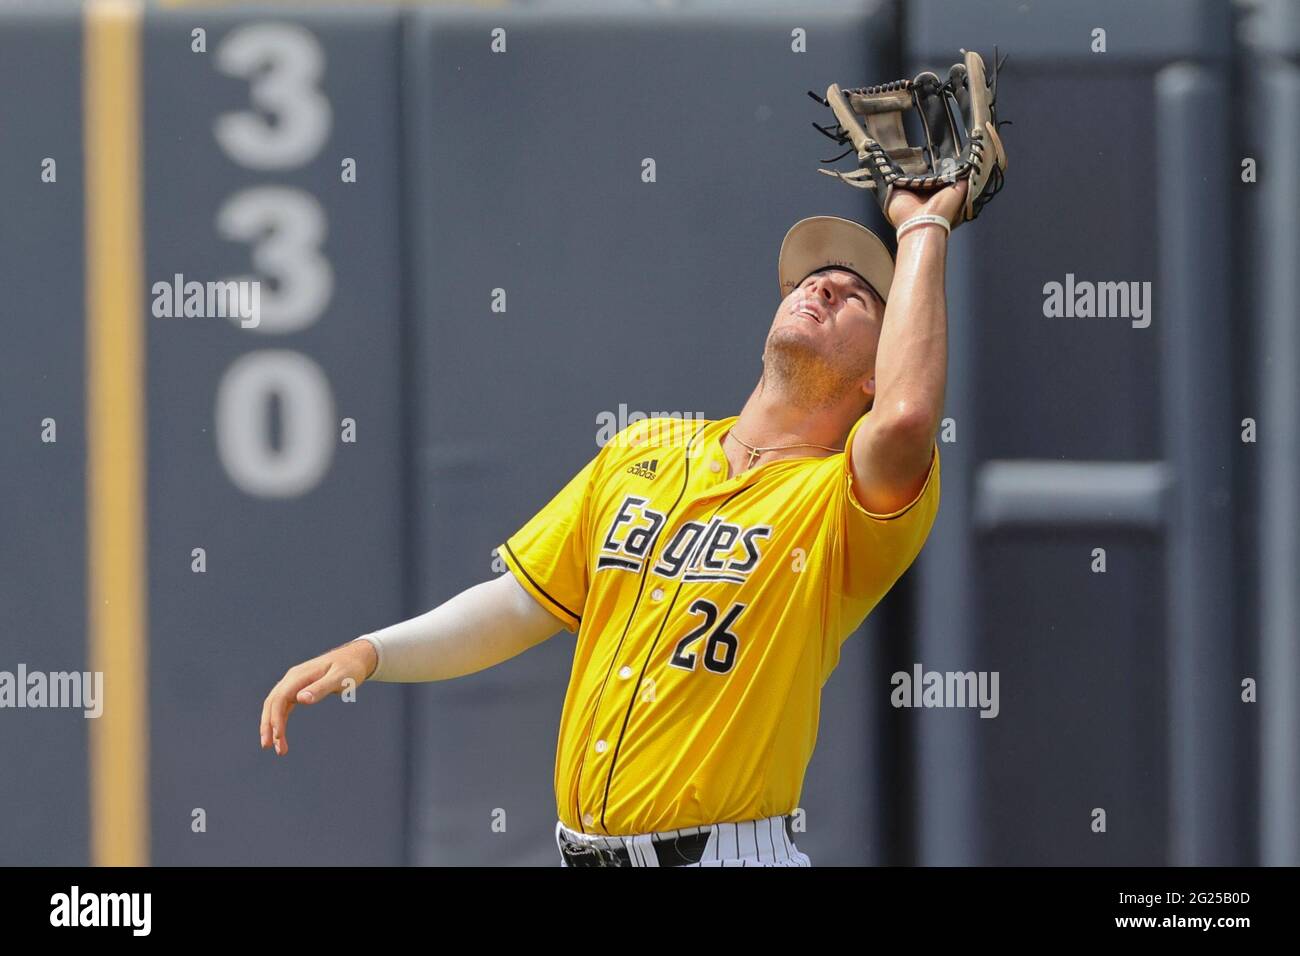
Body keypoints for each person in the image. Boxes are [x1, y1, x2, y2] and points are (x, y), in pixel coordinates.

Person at [259, 180, 966, 866]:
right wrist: (372, 652)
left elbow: (905, 419)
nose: (821, 288)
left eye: (856, 298)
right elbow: (518, 604)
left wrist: (921, 228)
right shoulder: (645, 448)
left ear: (879, 368)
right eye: (810, 281)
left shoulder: (840, 501)